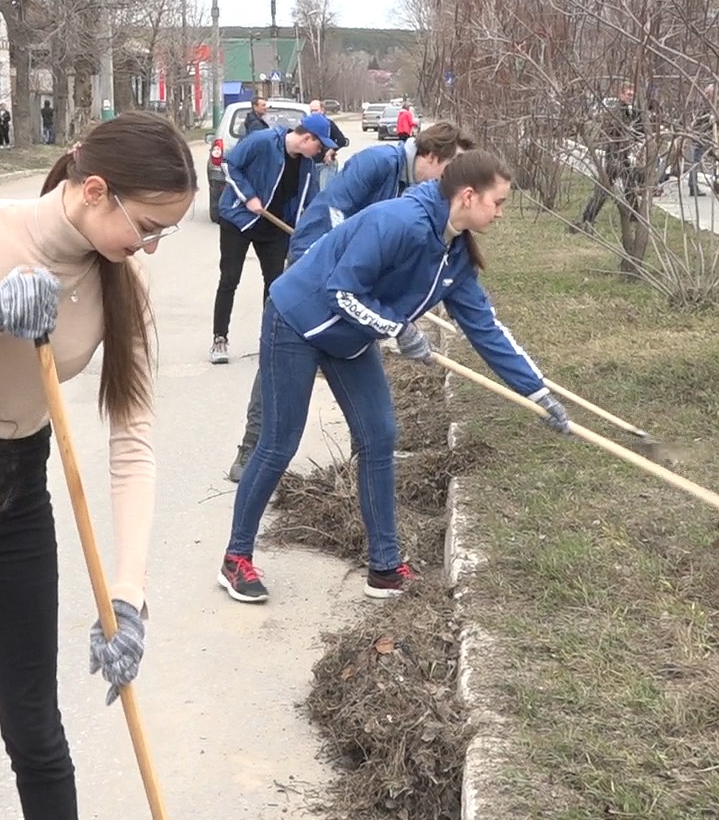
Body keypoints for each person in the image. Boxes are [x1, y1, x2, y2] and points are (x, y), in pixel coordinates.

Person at [0, 111, 194, 820]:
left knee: (33, 721)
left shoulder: (120, 282)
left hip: (15, 492)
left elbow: (134, 441)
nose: (148, 247)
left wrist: (129, 595)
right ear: (94, 191)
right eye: (146, 228)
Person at [216, 150, 570, 604]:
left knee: (380, 436)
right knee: (280, 440)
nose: (500, 213)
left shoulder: (455, 254)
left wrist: (537, 393)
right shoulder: (399, 222)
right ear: (467, 196)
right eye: (497, 203)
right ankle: (236, 558)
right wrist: (398, 328)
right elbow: (341, 290)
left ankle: (384, 567)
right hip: (297, 321)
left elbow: (486, 330)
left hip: (349, 337)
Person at [224, 121, 475, 482]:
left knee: (357, 349)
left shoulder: (421, 189)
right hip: (315, 263)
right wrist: (338, 267)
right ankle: (251, 450)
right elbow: (335, 211)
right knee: (282, 358)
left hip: (356, 278)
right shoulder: (378, 163)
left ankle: (368, 452)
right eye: (451, 170)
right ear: (431, 156)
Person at [210, 112, 337, 364]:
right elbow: (228, 164)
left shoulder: (308, 167)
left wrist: (318, 234)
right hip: (240, 219)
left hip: (275, 227)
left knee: (275, 285)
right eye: (319, 145)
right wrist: (248, 197)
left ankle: (269, 340)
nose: (321, 151)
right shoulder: (263, 141)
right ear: (307, 138)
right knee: (230, 278)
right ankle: (219, 338)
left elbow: (312, 204)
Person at [577, 87, 643, 229]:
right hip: (614, 154)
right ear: (621, 94)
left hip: (622, 153)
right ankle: (589, 215)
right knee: (606, 187)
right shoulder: (616, 111)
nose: (630, 97)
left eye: (632, 94)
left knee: (628, 185)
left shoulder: (627, 110)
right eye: (628, 94)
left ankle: (634, 216)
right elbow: (613, 130)